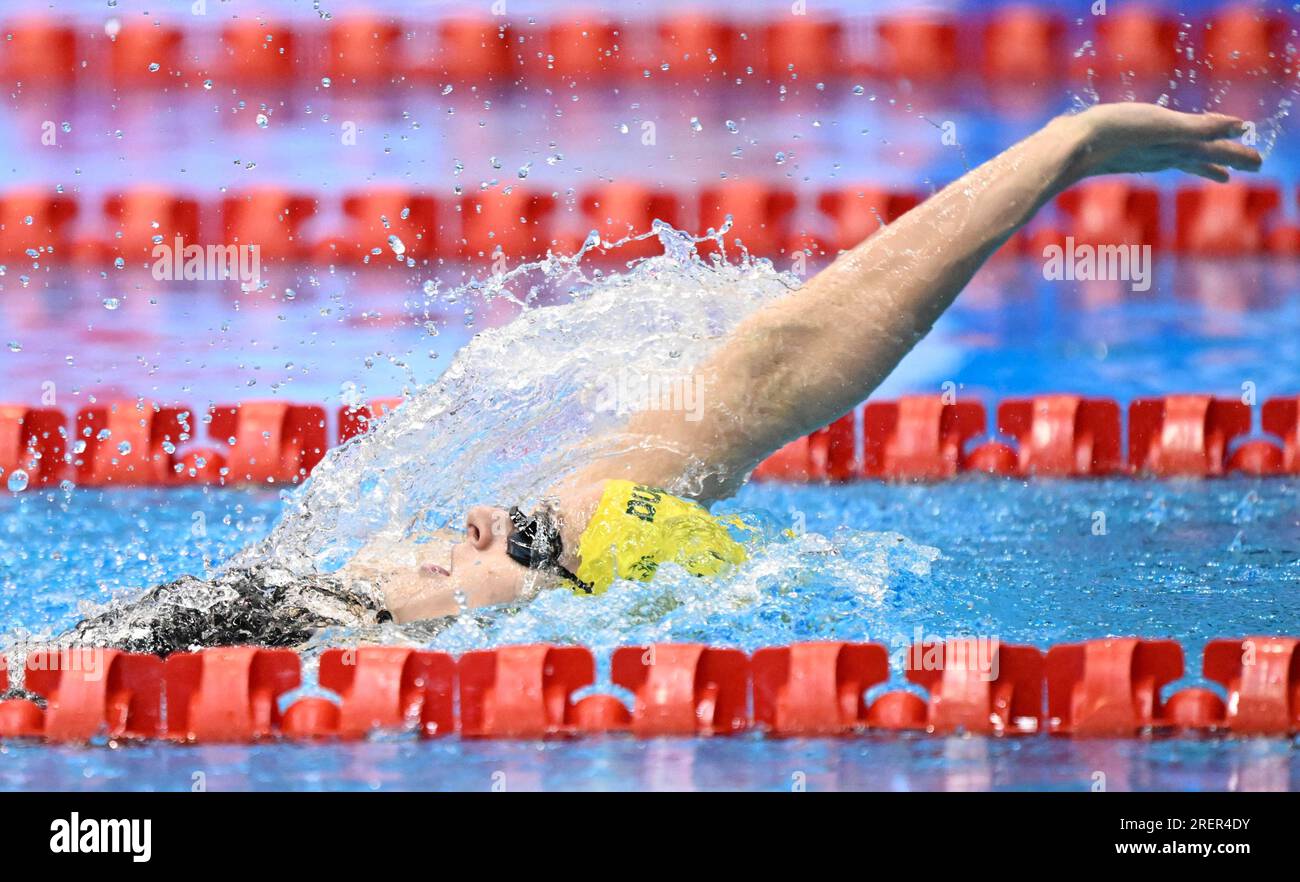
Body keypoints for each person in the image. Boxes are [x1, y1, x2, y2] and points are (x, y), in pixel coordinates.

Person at [68, 103, 1261, 652]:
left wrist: (1063, 150)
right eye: (433, 561)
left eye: (438, 540)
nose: (476, 523)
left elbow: (773, 372)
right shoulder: (414, 641)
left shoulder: (540, 560)